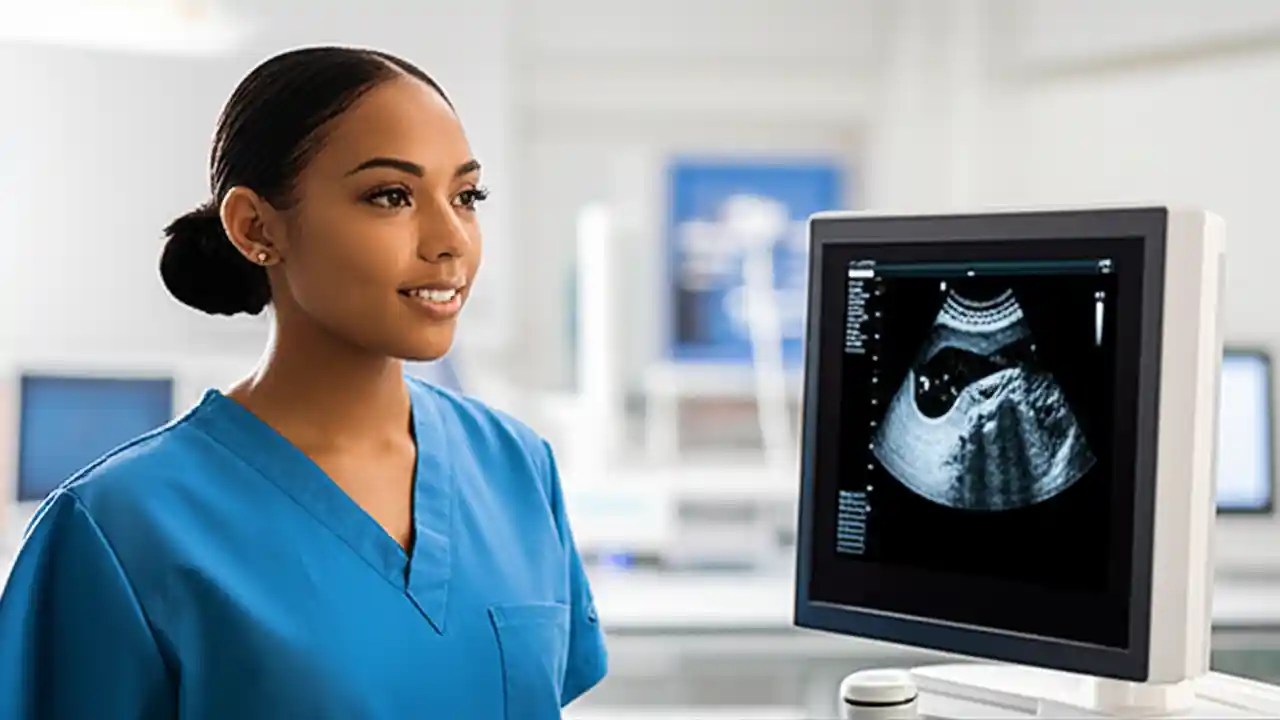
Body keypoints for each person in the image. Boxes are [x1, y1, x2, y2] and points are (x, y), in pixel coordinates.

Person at [0, 46, 607, 719]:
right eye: (391, 196)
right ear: (255, 228)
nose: (451, 239)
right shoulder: (117, 529)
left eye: (466, 196)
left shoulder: (516, 468)